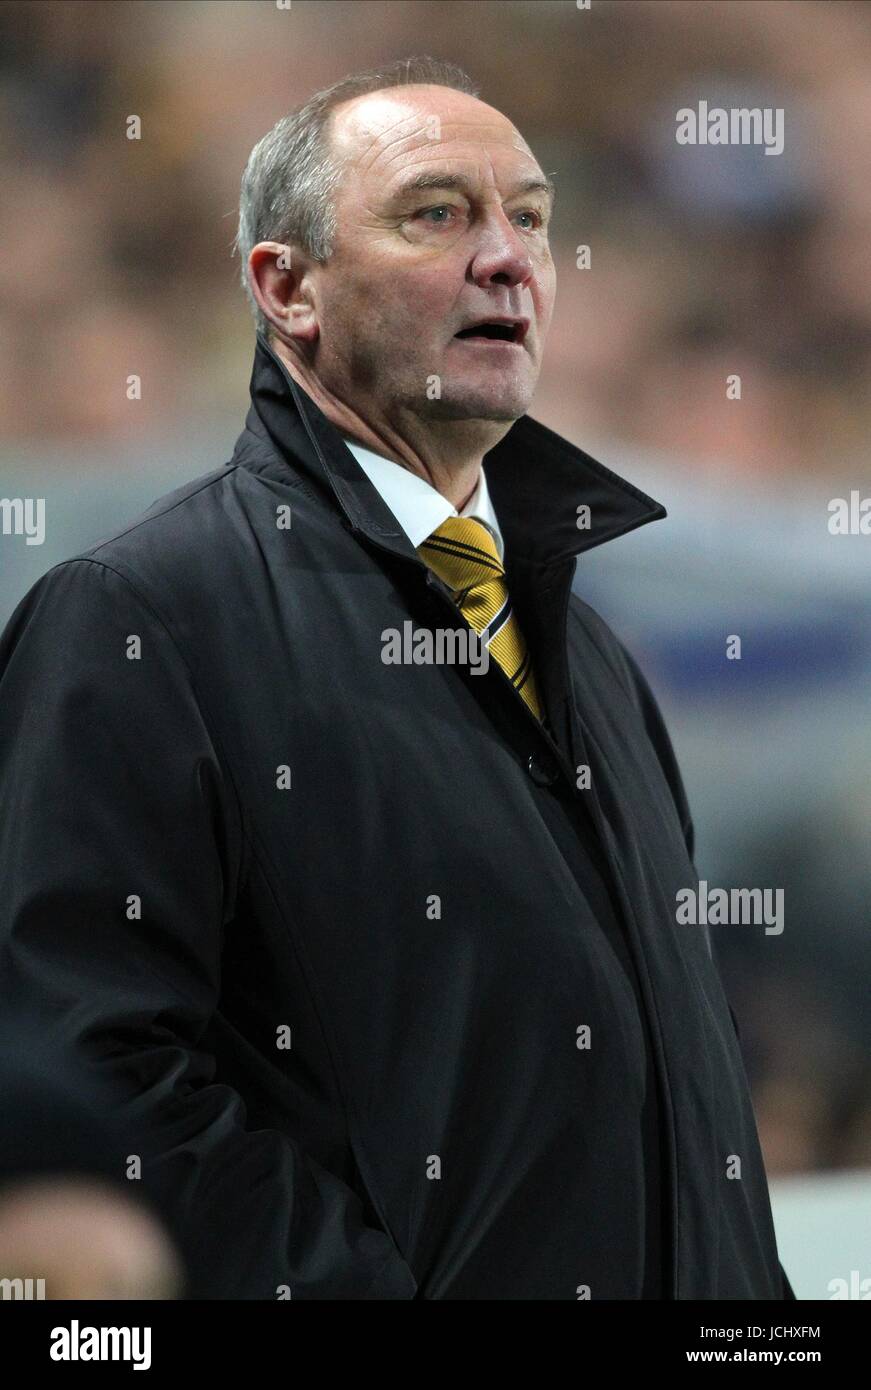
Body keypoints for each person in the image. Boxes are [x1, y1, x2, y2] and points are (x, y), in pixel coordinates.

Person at [0, 56, 794, 1299]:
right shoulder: (139, 620)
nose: (508, 258)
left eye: (529, 216)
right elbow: (91, 1083)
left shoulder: (588, 650)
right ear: (286, 285)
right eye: (435, 212)